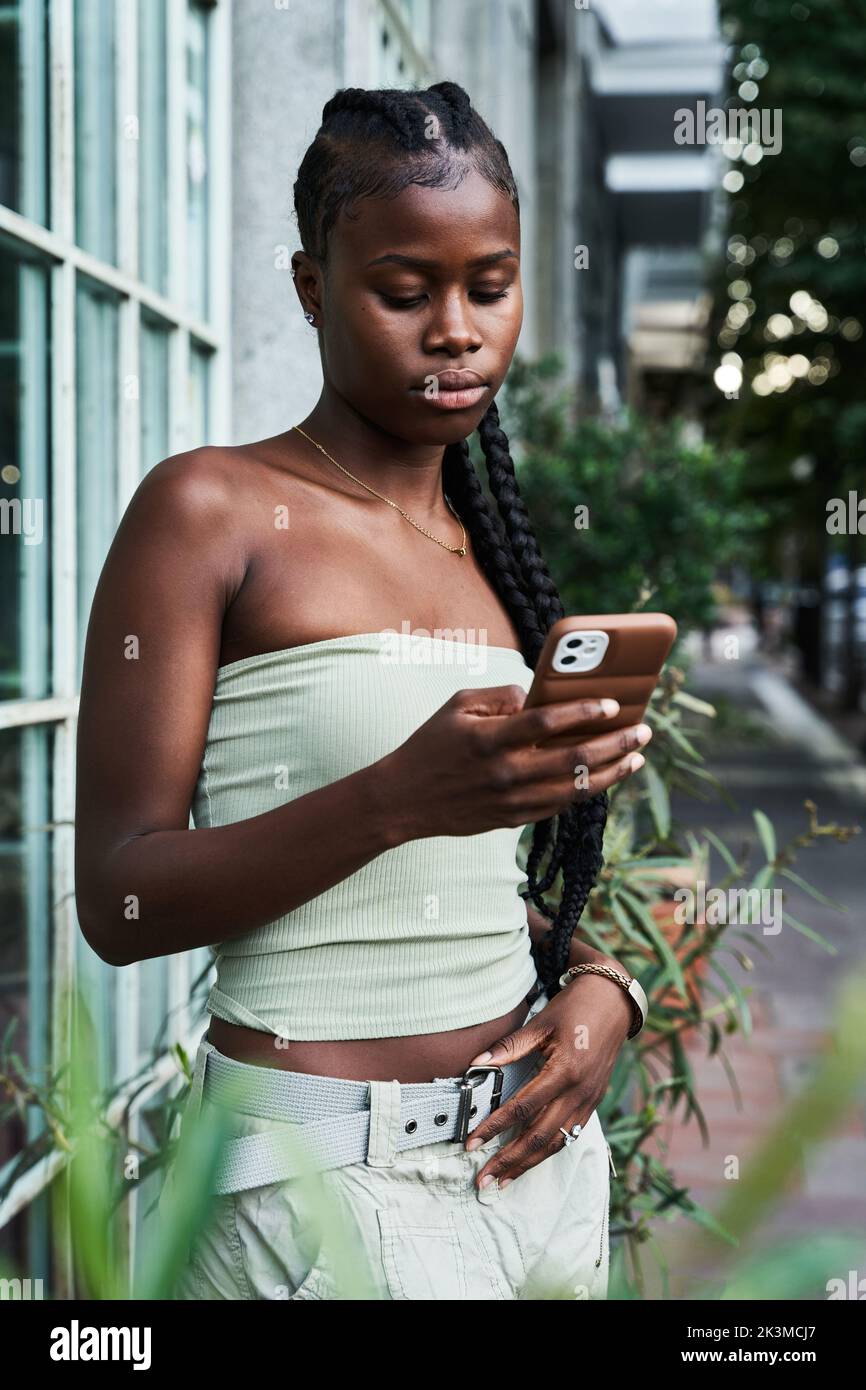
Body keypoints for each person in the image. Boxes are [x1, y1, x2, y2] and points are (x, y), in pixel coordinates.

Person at [74, 80, 652, 1301]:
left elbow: (470, 893)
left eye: (488, 288)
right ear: (308, 287)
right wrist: (399, 794)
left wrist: (603, 985)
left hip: (535, 1180)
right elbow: (120, 904)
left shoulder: (486, 552)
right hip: (320, 1191)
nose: (455, 330)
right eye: (404, 291)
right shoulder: (209, 511)